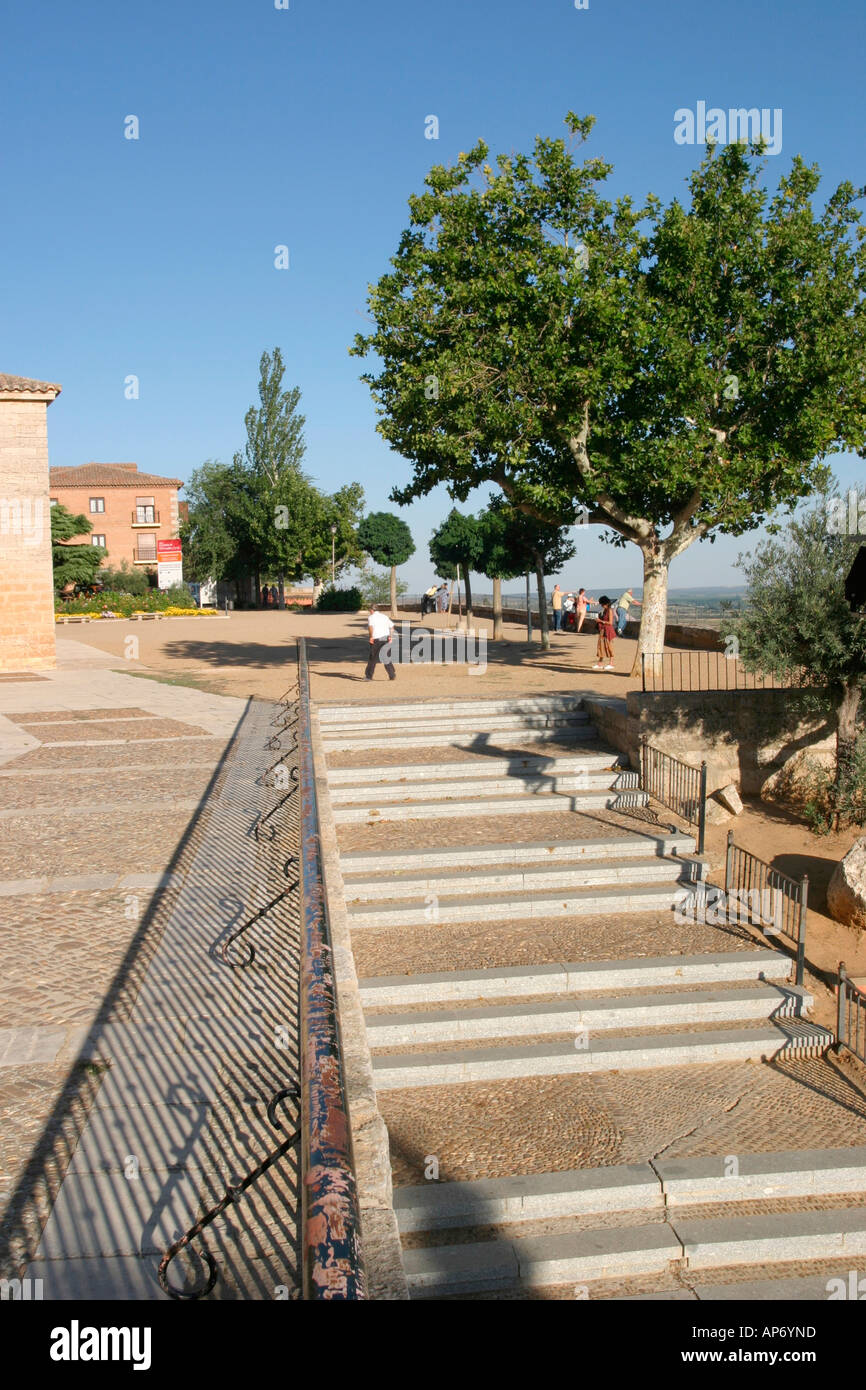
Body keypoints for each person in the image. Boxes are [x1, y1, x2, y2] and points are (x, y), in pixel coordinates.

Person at [365, 605, 397, 681]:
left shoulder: (371, 617)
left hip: (376, 639)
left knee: (372, 658)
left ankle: (368, 676)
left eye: (370, 610)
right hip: (385, 638)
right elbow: (392, 627)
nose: (370, 611)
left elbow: (370, 628)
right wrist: (390, 636)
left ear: (372, 610)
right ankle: (392, 674)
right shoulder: (384, 616)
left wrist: (371, 637)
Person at [592, 595, 616, 671]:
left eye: (602, 604)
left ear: (605, 603)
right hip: (603, 630)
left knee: (609, 647)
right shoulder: (605, 610)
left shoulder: (610, 610)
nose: (601, 605)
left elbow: (610, 622)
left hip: (608, 630)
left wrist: (600, 621)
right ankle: (600, 663)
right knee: (601, 646)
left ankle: (611, 663)